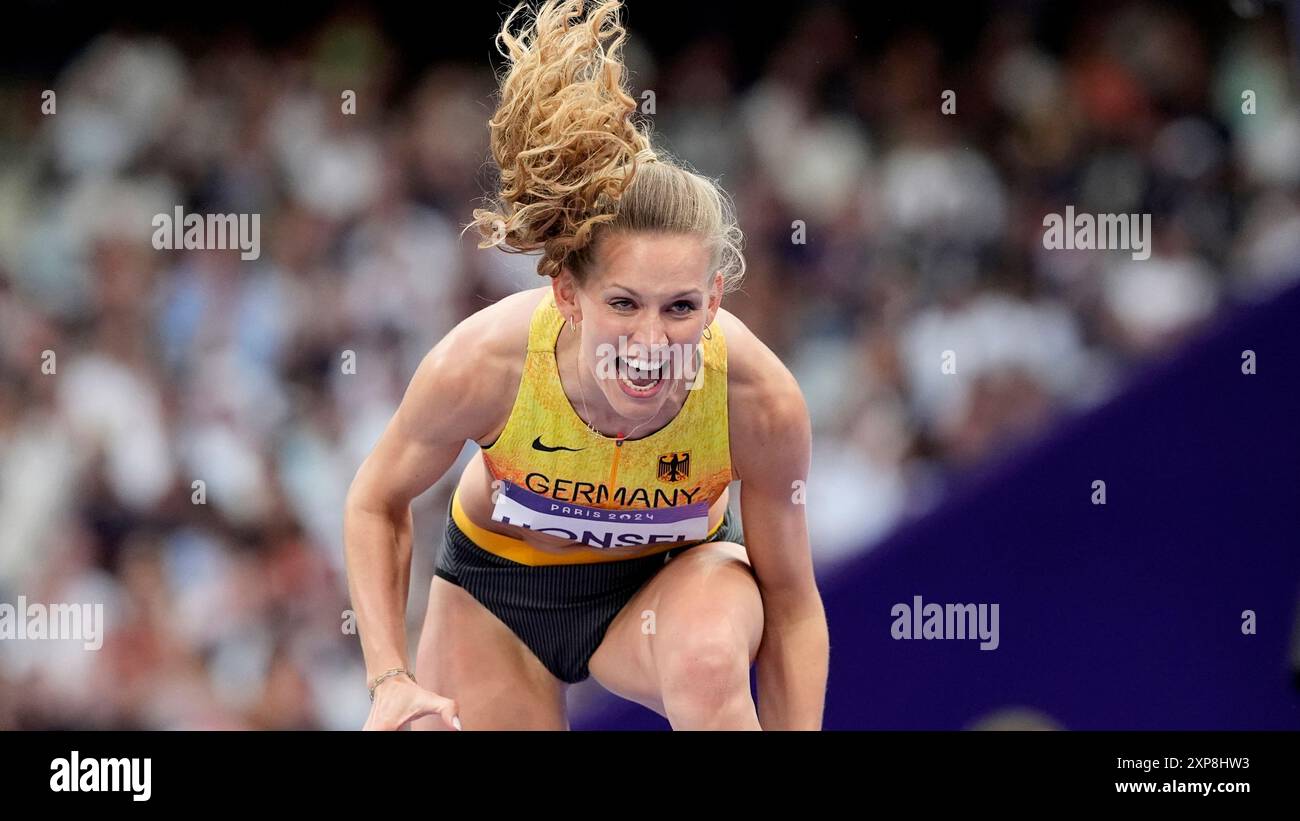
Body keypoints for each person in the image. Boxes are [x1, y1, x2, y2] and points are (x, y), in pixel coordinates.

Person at [343, 0, 828, 730]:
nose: (651, 343)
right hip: (498, 596)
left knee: (704, 657)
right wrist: (389, 678)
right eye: (625, 303)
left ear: (715, 298)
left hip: (667, 588)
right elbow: (375, 502)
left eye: (680, 308)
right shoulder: (483, 364)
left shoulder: (756, 399)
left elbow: (791, 606)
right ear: (569, 294)